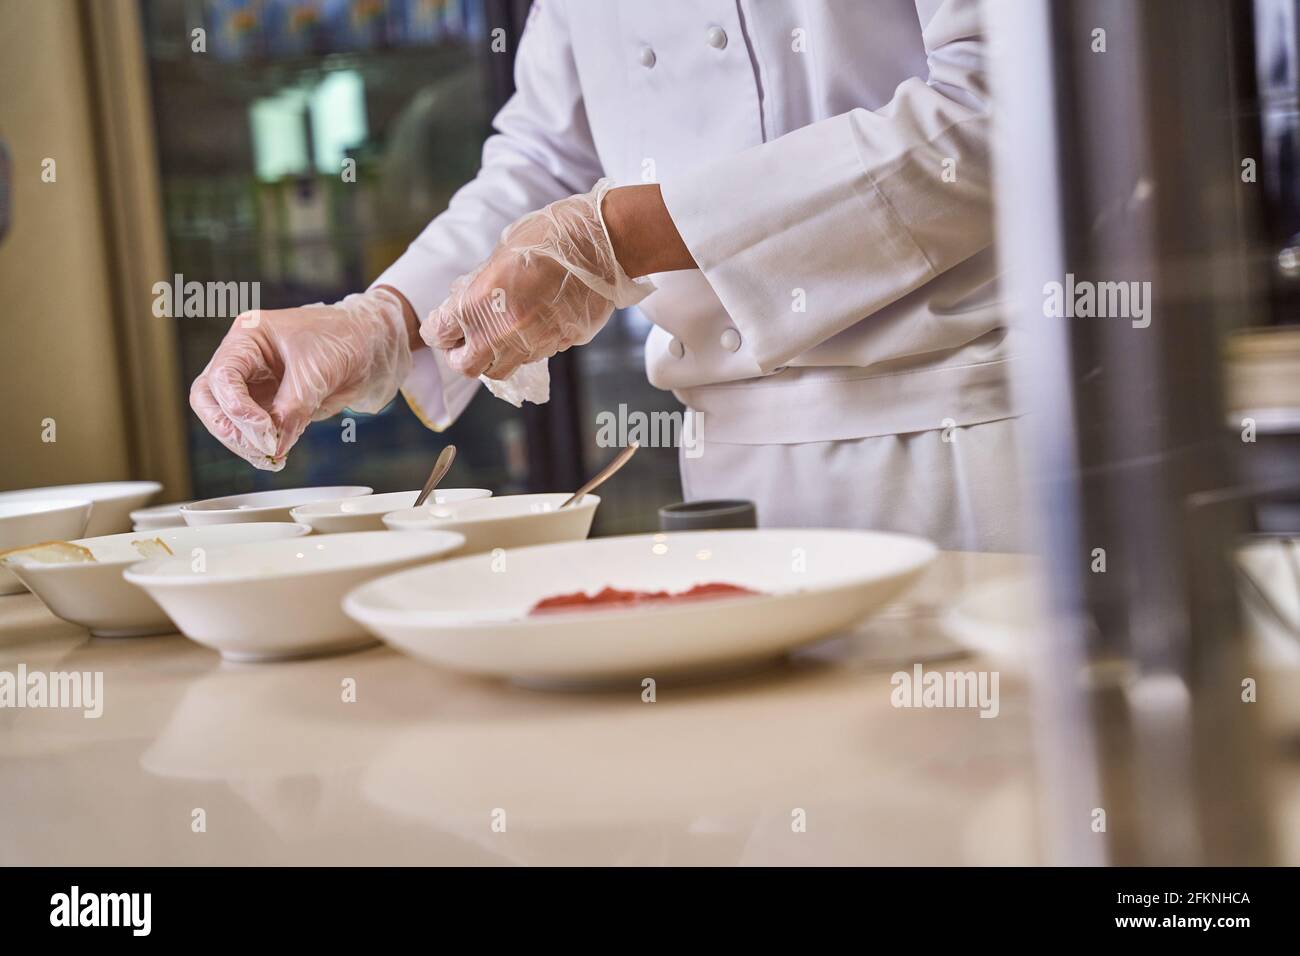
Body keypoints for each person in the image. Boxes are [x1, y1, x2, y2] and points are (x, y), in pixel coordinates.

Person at [191, 0, 1020, 551]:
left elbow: (1003, 110)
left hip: (966, 441)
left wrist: (619, 237)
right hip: (729, 465)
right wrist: (379, 321)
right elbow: (548, 159)